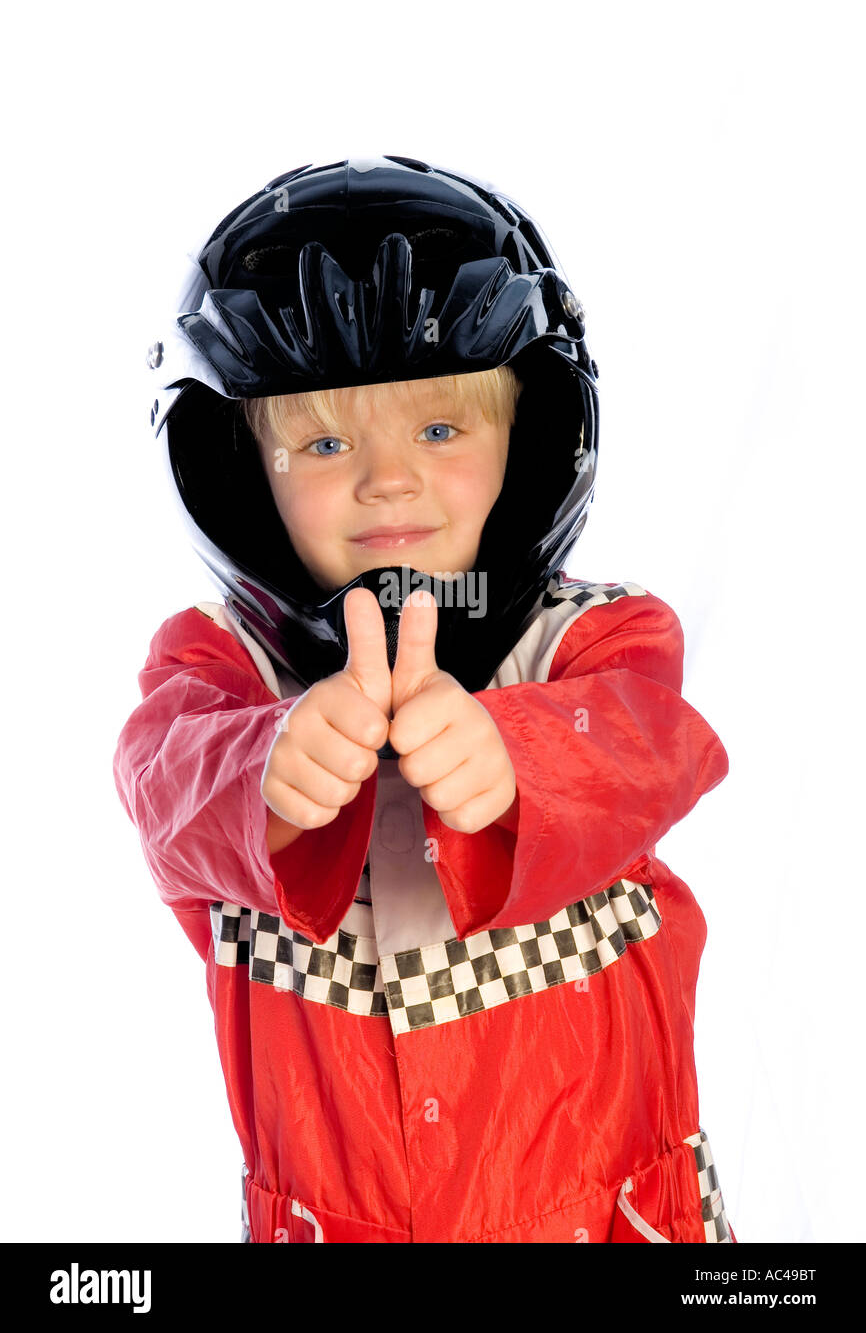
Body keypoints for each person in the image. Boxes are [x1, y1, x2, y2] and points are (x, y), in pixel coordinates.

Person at [113, 155, 736, 1243]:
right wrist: (266, 765)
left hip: (601, 1216)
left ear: (528, 440)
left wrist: (517, 755)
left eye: (439, 430)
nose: (385, 479)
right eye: (321, 441)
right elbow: (162, 780)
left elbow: (650, 746)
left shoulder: (589, 638)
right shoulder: (223, 674)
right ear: (236, 468)